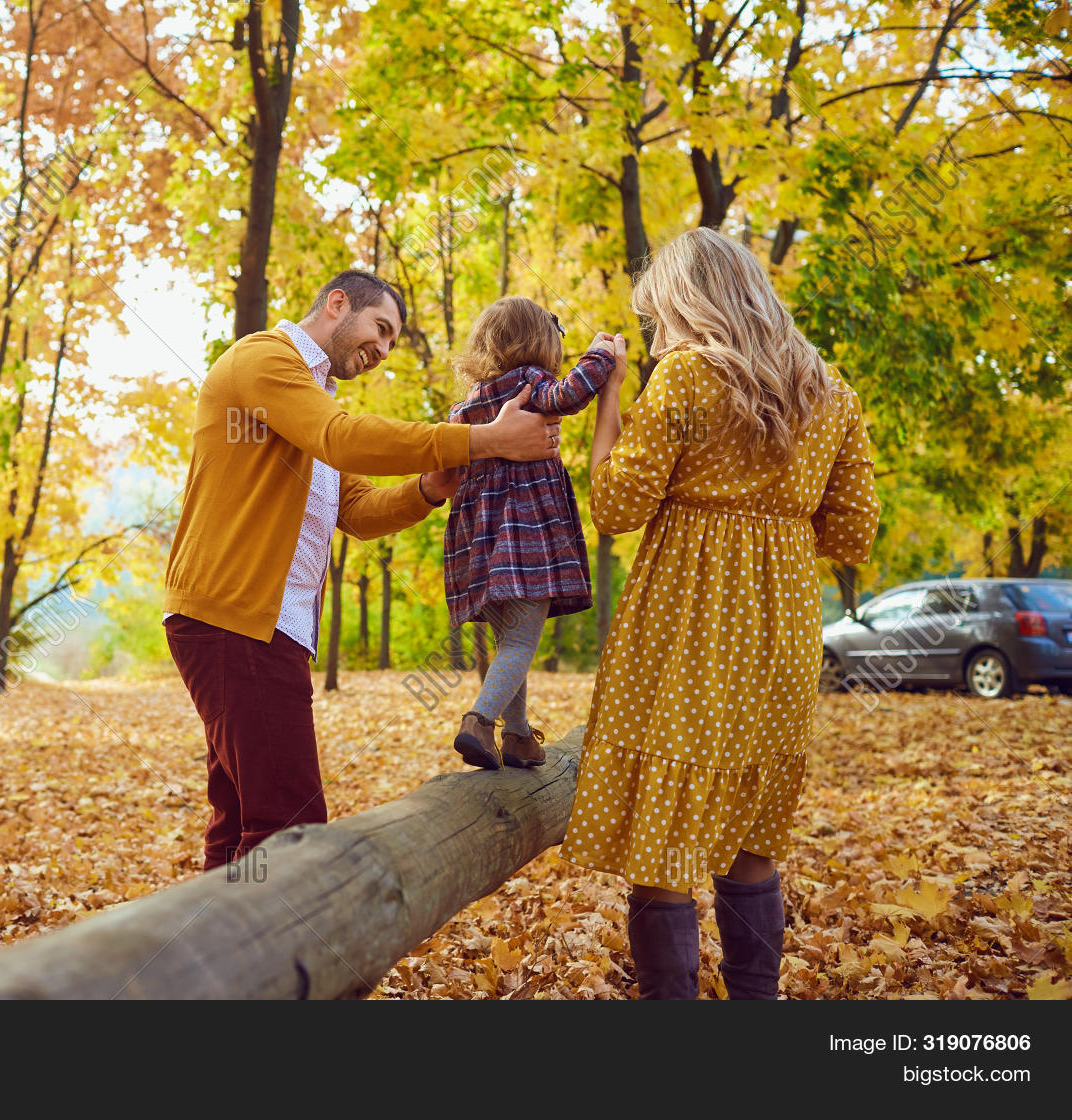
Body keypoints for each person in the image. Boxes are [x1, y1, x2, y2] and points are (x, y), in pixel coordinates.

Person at [559, 228, 880, 999]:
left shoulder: (682, 378)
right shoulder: (830, 391)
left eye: (657, 314)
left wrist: (612, 403)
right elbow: (853, 532)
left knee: (664, 843)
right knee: (752, 837)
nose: (656, 331)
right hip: (783, 628)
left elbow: (615, 507)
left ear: (685, 301)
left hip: (690, 620)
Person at [164, 269, 562, 871]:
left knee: (246, 819)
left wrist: (429, 488)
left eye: (391, 343)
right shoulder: (264, 359)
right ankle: (277, 961)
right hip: (236, 621)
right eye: (379, 329)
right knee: (291, 831)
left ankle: (215, 958)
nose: (380, 351)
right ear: (337, 303)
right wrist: (480, 439)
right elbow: (342, 440)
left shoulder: (310, 403)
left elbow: (357, 510)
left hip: (272, 627)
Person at [443, 297, 626, 770]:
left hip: (480, 546)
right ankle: (479, 720)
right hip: (526, 541)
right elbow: (570, 394)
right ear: (538, 342)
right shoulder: (530, 383)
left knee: (513, 640)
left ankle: (519, 737)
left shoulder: (469, 405)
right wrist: (602, 355)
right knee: (524, 640)